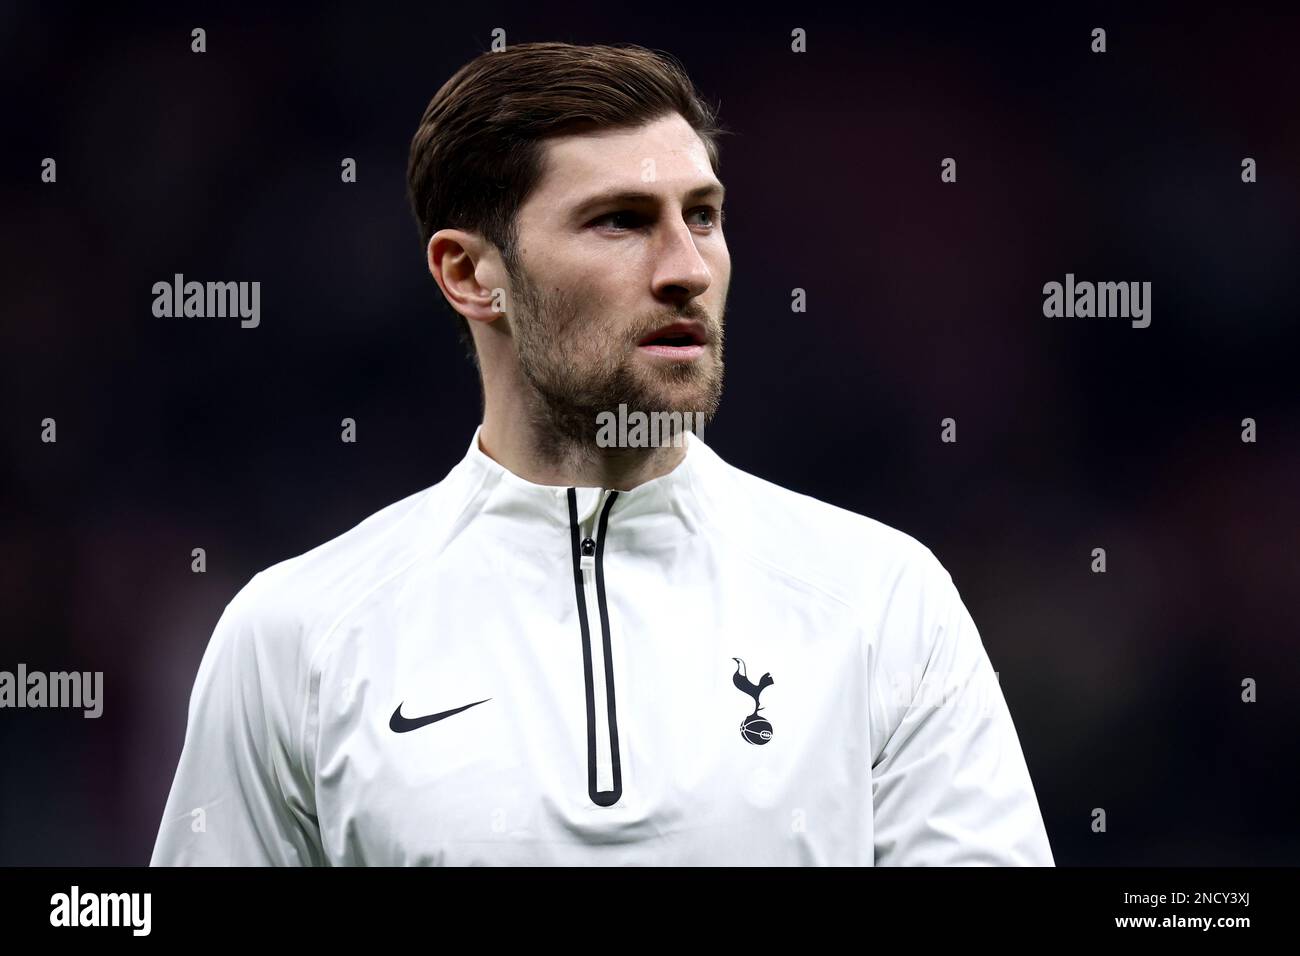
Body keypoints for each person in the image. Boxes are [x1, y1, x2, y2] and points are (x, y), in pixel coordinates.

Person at [151, 41, 1054, 866]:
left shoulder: (884, 602)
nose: (687, 268)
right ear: (470, 274)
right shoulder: (295, 635)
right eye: (620, 221)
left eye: (702, 216)